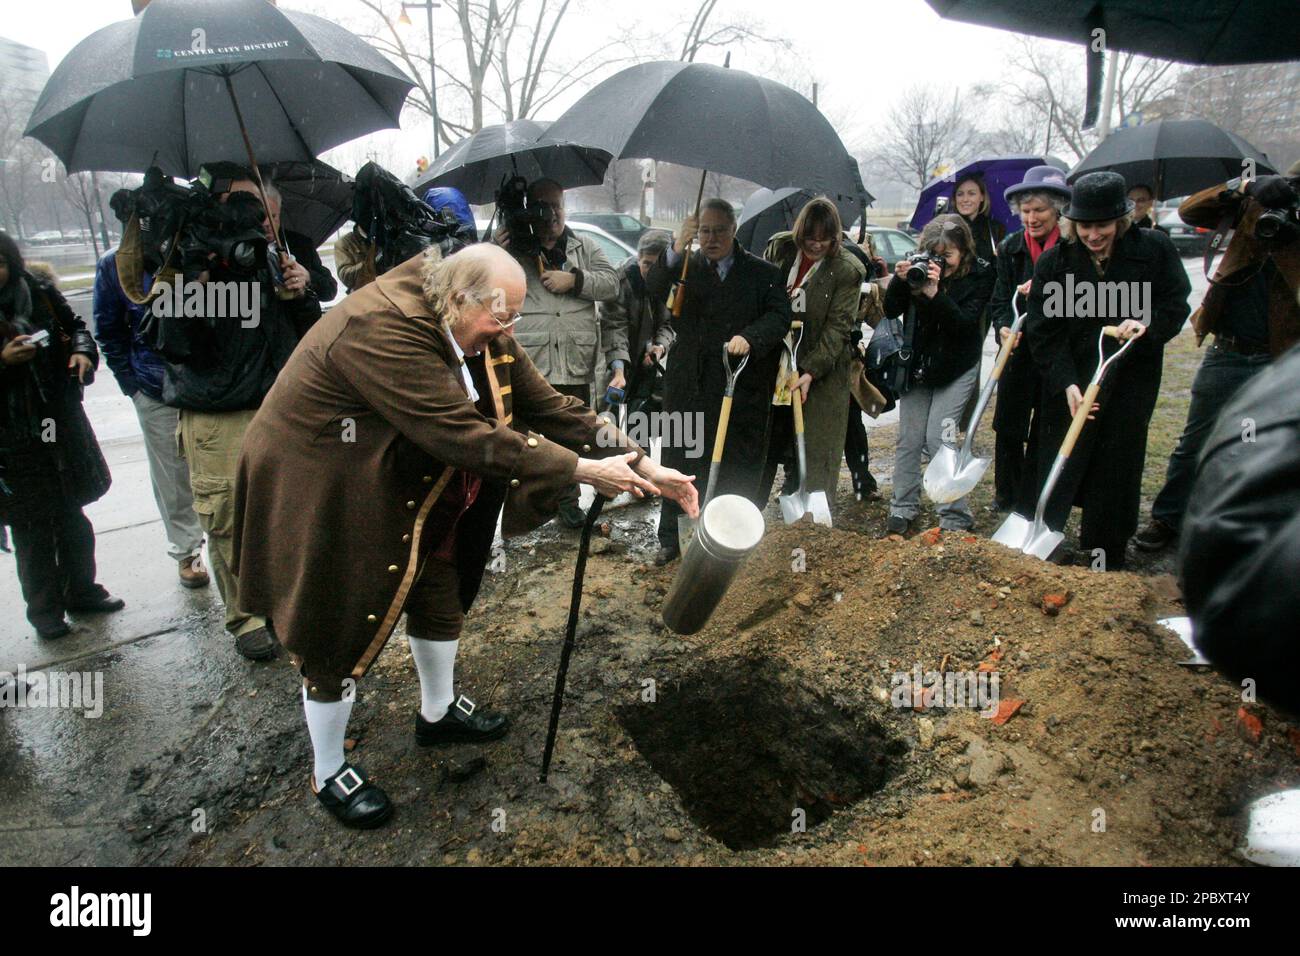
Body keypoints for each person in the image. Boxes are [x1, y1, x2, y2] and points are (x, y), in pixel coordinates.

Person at [232, 243, 697, 829]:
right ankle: (328, 770)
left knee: (438, 585)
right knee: (338, 618)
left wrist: (642, 462)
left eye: (515, 318)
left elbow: (551, 407)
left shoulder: (479, 320)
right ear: (456, 299)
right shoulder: (379, 330)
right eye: (500, 319)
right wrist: (580, 470)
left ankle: (438, 711)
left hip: (403, 472)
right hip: (328, 479)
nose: (508, 332)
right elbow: (463, 434)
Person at [144, 162, 322, 661]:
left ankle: (285, 600)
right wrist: (193, 281)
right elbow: (171, 343)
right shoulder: (186, 256)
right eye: (242, 205)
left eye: (262, 210)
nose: (256, 219)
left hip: (282, 407)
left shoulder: (267, 258)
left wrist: (302, 290)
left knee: (286, 510)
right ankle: (246, 618)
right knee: (229, 519)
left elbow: (309, 337)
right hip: (217, 415)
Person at [1024, 171, 1191, 570]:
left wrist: (1147, 327)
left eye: (1102, 226)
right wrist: (1064, 381)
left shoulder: (1152, 251)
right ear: (1072, 223)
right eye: (1085, 226)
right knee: (1058, 458)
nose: (1093, 235)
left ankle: (1105, 552)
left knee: (1116, 465)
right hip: (1072, 380)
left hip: (1129, 379)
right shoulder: (1056, 262)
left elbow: (1175, 303)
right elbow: (1044, 330)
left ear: (1120, 221)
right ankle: (1048, 543)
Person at [1134, 162, 1300, 552]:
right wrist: (1244, 186)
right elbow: (1191, 211)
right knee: (1194, 440)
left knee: (1254, 444)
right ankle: (1168, 518)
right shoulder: (1256, 203)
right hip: (1226, 347)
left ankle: (1238, 529)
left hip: (1278, 357)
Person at [653, 197, 793, 564]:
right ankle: (673, 537)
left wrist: (751, 336)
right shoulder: (684, 266)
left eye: (719, 230)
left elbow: (780, 316)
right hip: (689, 384)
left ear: (733, 230)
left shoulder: (764, 274)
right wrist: (675, 248)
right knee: (681, 458)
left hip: (738, 386)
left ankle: (731, 540)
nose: (711, 238)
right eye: (704, 231)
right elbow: (649, 292)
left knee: (736, 462)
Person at [1, 231, 124, 639]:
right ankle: (45, 613)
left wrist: (81, 353)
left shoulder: (40, 293)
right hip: (11, 440)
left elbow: (77, 329)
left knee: (73, 517)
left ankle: (82, 591)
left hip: (60, 426)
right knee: (32, 531)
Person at [494, 178, 621, 528]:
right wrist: (496, 252)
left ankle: (573, 504)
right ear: (527, 209)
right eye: (542, 207)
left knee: (577, 433)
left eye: (557, 206)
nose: (551, 215)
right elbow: (487, 292)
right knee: (535, 441)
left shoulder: (585, 247)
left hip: (577, 361)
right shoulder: (514, 249)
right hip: (535, 364)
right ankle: (537, 508)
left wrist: (575, 281)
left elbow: (612, 285)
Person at [92, 247, 210, 589]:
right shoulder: (116, 266)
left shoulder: (196, 251)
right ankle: (186, 550)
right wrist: (132, 386)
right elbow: (109, 329)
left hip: (207, 379)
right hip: (153, 384)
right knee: (172, 475)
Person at [882, 215, 995, 536]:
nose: (938, 262)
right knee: (909, 440)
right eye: (933, 254)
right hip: (918, 364)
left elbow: (962, 324)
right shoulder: (917, 270)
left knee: (940, 437)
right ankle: (902, 507)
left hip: (957, 365)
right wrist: (901, 281)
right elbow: (891, 310)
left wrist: (934, 292)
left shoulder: (980, 274)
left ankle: (954, 516)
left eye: (947, 256)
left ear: (963, 252)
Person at [757, 197, 866, 515]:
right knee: (769, 439)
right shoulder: (781, 250)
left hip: (820, 369)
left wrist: (808, 371)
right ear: (799, 233)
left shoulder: (847, 270)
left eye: (825, 239)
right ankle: (753, 510)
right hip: (775, 363)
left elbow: (838, 329)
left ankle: (809, 523)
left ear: (836, 237)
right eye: (810, 238)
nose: (816, 245)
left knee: (812, 446)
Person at [990, 166, 1072, 515]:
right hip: (1018, 351)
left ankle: (1033, 496)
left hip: (1053, 351)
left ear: (1057, 211)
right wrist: (1004, 327)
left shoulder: (1071, 248)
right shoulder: (1011, 248)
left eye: (1039, 210)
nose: (1032, 218)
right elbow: (999, 299)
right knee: (1008, 424)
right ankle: (1005, 492)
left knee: (1046, 427)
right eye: (1026, 211)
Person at [598, 230, 675, 420]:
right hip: (614, 362)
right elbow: (614, 327)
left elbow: (669, 323)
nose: (651, 271)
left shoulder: (673, 280)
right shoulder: (621, 281)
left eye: (657, 265)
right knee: (608, 420)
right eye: (647, 264)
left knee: (638, 425)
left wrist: (660, 347)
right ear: (638, 257)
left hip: (645, 364)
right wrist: (619, 368)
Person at [952, 173, 1007, 265]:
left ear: (982, 197)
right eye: (960, 194)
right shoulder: (948, 229)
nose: (965, 199)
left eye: (971, 193)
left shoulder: (995, 229)